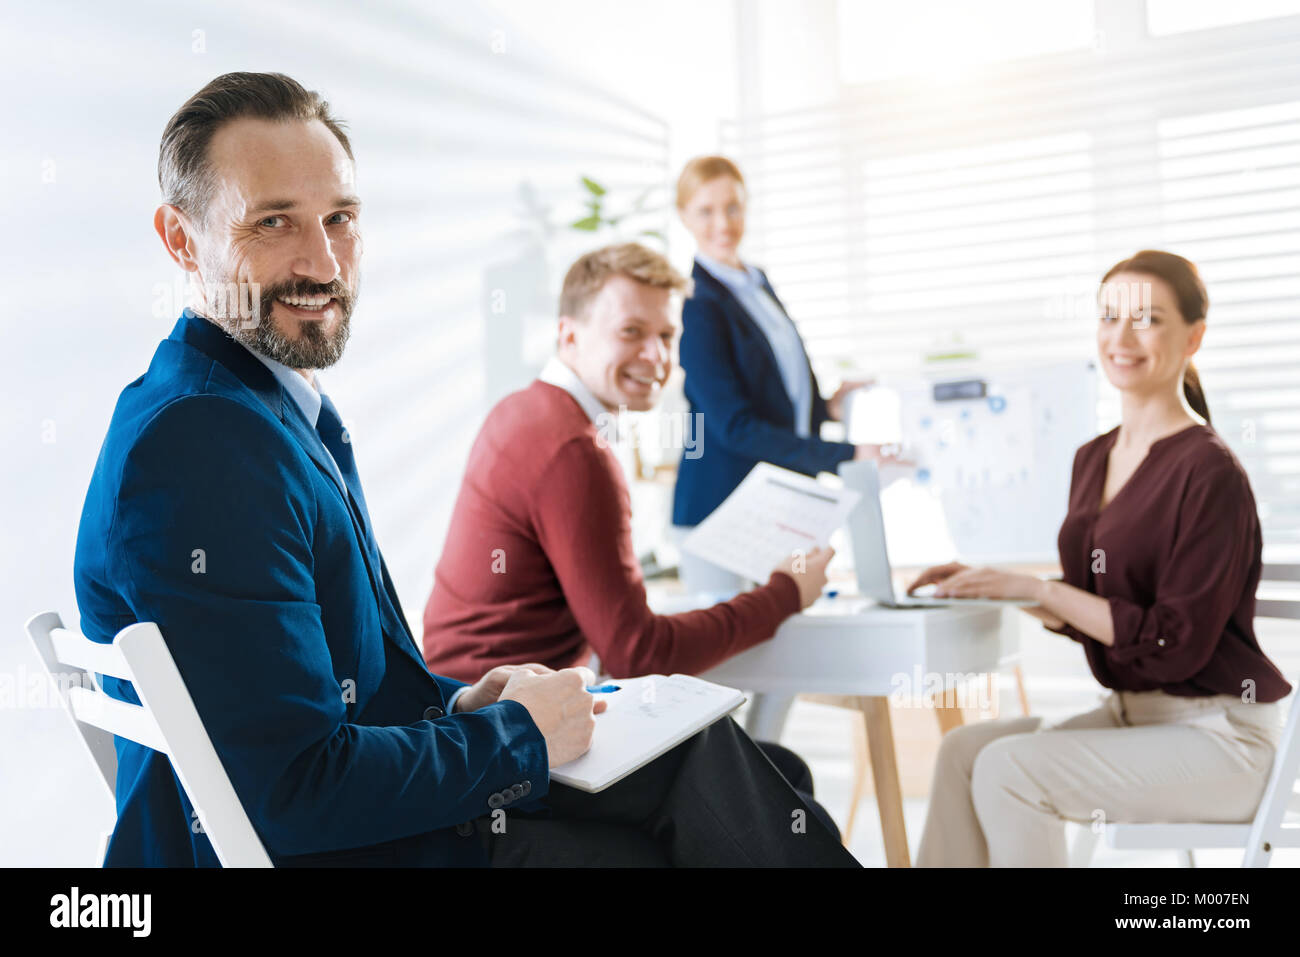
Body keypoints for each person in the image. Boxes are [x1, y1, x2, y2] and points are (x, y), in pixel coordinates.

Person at [73, 71, 856, 867]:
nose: (322, 262)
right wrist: (511, 735)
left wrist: (462, 704)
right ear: (181, 239)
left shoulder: (261, 409)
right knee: (710, 780)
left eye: (340, 218)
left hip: (372, 817)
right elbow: (288, 793)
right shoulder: (204, 444)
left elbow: (327, 693)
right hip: (343, 848)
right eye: (272, 222)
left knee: (736, 771)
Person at [421, 242, 846, 841]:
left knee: (780, 771)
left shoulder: (529, 410)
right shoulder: (574, 447)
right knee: (772, 787)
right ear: (568, 336)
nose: (656, 355)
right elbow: (637, 653)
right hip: (509, 744)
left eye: (668, 336)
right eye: (631, 332)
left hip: (493, 724)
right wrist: (783, 594)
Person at [907, 250, 1292, 867]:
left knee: (1009, 771)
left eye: (1147, 319)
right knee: (963, 754)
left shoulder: (1209, 470)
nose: (1121, 336)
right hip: (1135, 720)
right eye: (1108, 316)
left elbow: (1174, 641)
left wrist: (1038, 589)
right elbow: (1098, 606)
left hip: (1221, 739)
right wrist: (994, 586)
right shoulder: (1094, 457)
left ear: (1194, 336)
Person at [670, 155, 900, 593]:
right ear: (684, 216)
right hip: (721, 509)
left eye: (733, 207)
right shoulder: (698, 305)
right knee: (728, 650)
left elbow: (777, 386)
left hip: (777, 504)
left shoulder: (757, 283)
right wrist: (845, 454)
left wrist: (824, 405)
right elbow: (734, 427)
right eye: (706, 210)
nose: (723, 223)